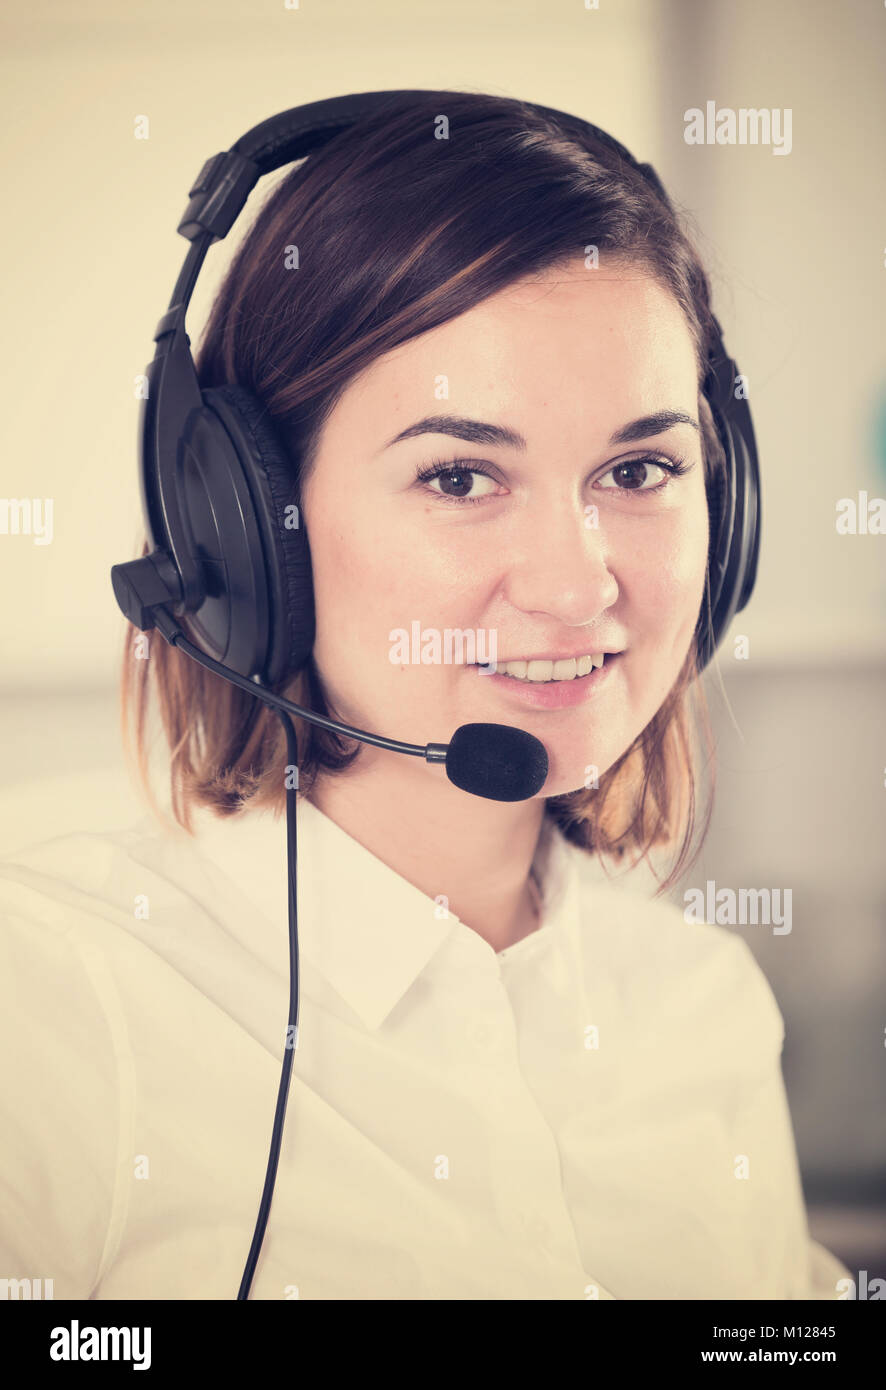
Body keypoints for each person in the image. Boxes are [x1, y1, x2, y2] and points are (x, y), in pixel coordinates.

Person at [0, 90, 849, 1300]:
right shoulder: (49, 1001)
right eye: (460, 476)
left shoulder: (697, 1006)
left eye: (641, 467)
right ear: (242, 530)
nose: (575, 583)